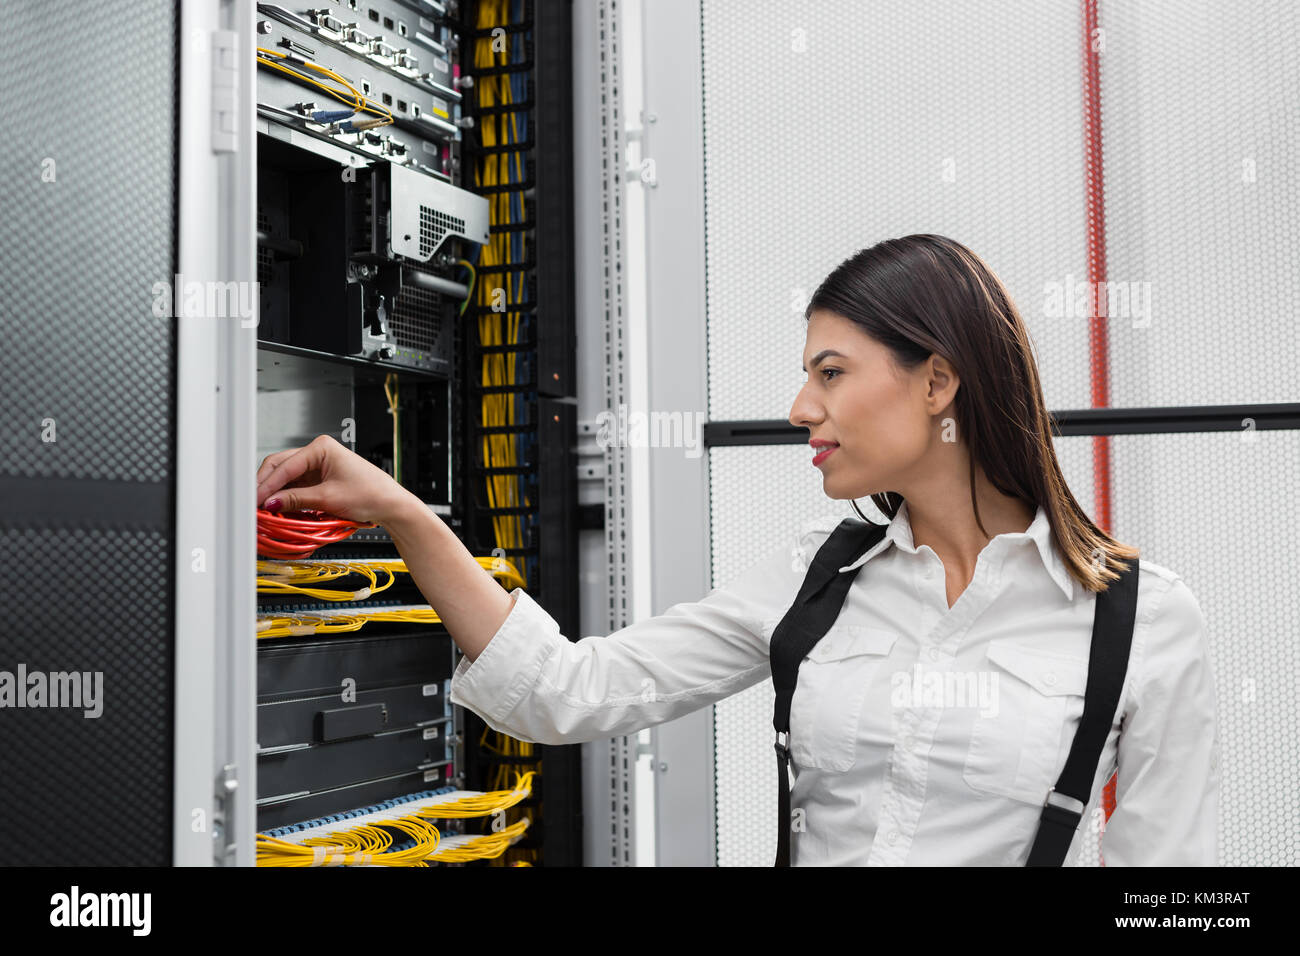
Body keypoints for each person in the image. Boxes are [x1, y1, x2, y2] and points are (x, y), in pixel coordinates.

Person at [255, 234, 1220, 866]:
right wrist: (404, 512)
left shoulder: (1143, 622)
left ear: (937, 384)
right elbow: (563, 690)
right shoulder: (821, 578)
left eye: (831, 373)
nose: (801, 407)